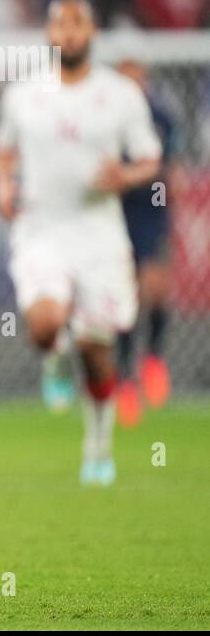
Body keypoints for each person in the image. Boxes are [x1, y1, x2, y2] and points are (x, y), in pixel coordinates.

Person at [0, 0, 162, 486]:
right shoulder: (24, 95)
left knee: (97, 349)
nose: (69, 32)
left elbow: (149, 158)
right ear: (49, 34)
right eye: (60, 24)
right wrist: (2, 186)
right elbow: (3, 149)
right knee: (45, 324)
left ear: (92, 33)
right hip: (41, 227)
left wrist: (126, 175)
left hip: (98, 233)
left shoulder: (121, 95)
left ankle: (98, 445)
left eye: (78, 24)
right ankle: (55, 357)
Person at [114, 59, 177, 425]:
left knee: (155, 286)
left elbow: (172, 163)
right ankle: (124, 377)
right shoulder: (106, 119)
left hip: (151, 207)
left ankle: (153, 358)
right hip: (118, 210)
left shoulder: (161, 117)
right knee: (126, 294)